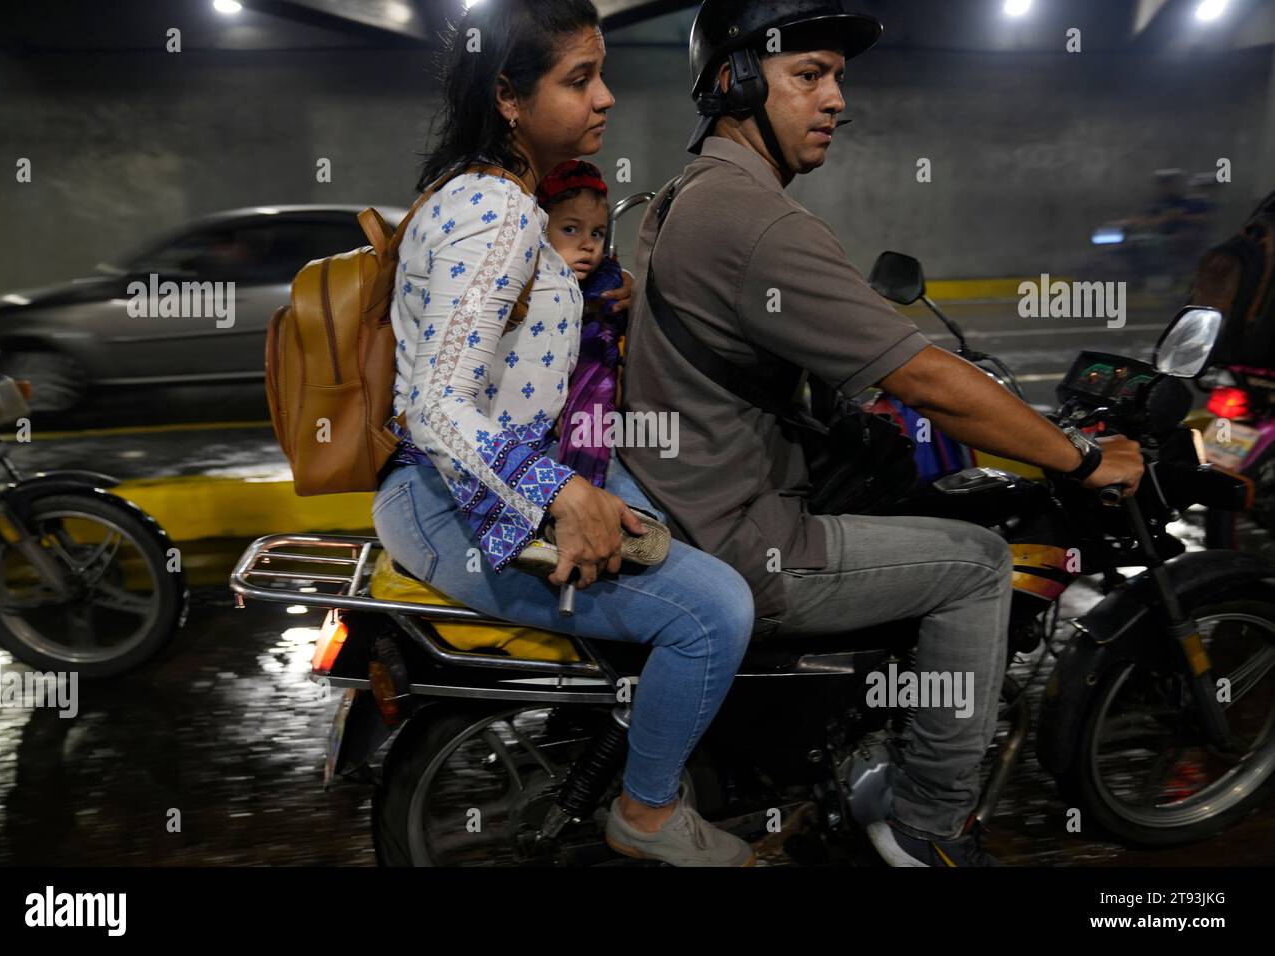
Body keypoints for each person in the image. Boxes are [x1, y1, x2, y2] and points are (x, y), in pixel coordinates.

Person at [619, 0, 1146, 866]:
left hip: (681, 493)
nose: (835, 101)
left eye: (838, 79)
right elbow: (927, 377)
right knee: (978, 565)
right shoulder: (760, 222)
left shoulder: (684, 196)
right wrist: (1081, 456)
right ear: (736, 81)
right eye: (809, 76)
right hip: (740, 533)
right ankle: (927, 827)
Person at [371, 0, 757, 867]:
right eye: (579, 79)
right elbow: (437, 404)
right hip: (454, 501)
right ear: (509, 97)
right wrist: (562, 490)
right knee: (717, 612)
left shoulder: (491, 193)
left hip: (472, 485)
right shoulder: (497, 213)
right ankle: (646, 814)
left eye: (601, 74)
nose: (607, 98)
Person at [536, 159, 632, 488]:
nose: (588, 244)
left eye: (597, 233)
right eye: (571, 229)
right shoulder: (526, 291)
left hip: (595, 439)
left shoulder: (609, 295)